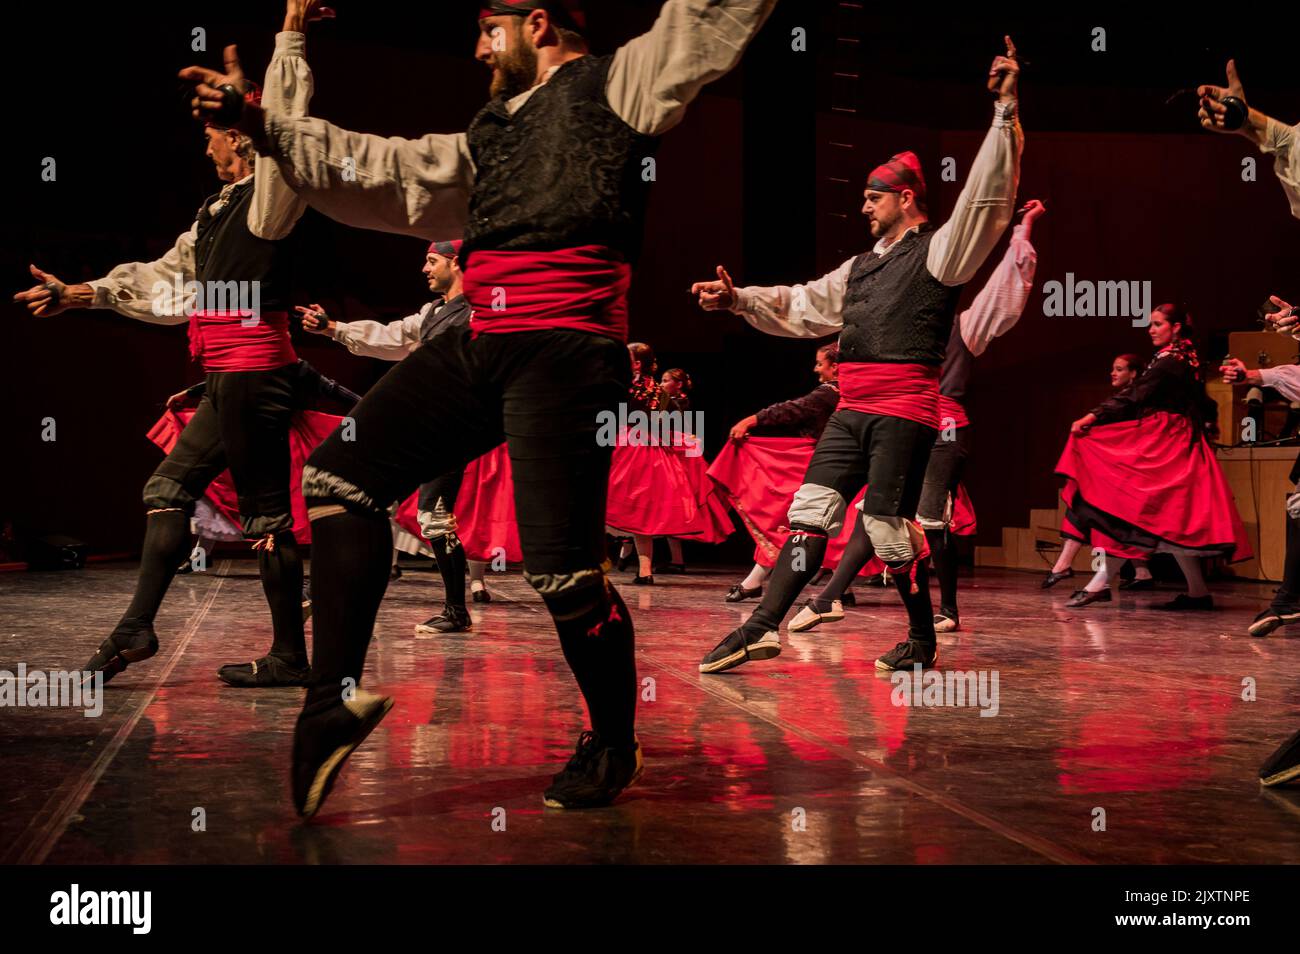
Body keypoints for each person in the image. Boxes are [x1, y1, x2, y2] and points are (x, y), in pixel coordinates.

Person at [180, 0, 777, 815]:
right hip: (481, 336)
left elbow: (708, 15)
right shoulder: (490, 132)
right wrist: (264, 119)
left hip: (566, 344)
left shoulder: (621, 83)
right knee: (336, 479)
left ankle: (612, 738)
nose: (476, 51)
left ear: (538, 25)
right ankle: (332, 701)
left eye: (487, 32)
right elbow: (387, 170)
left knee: (561, 570)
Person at [15, 2, 325, 689]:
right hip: (228, 377)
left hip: (255, 373)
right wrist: (81, 294)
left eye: (215, 135)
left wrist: (292, 35)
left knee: (267, 513)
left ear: (243, 140)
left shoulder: (271, 198)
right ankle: (139, 627)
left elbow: (290, 129)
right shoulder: (213, 213)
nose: (206, 145)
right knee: (167, 487)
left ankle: (288, 656)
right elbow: (167, 281)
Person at [693, 36, 1023, 674]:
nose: (863, 205)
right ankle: (763, 626)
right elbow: (803, 304)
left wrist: (1004, 114)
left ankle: (922, 637)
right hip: (852, 410)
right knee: (808, 515)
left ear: (905, 199)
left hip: (905, 411)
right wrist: (737, 300)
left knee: (889, 530)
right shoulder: (861, 269)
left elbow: (987, 204)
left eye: (874, 197)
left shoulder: (938, 252)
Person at [791, 199, 1045, 635]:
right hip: (903, 421)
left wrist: (1023, 231)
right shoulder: (897, 321)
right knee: (878, 511)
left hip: (942, 427)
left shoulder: (962, 326)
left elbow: (1005, 287)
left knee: (929, 517)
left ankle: (945, 610)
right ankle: (828, 598)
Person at [1057, 305, 1251, 609]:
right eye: (1151, 324)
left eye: (1157, 324)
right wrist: (1209, 421)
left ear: (1175, 328)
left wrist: (1094, 416)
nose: (1151, 329)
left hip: (1168, 442)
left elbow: (1136, 394)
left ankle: (1099, 583)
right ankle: (1198, 593)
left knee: (1133, 509)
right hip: (1176, 439)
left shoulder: (1172, 361)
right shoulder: (1186, 357)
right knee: (1170, 520)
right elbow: (1200, 399)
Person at [724, 343, 840, 602]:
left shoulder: (828, 393)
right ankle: (841, 588)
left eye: (820, 363)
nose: (815, 368)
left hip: (823, 466)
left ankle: (754, 583)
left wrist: (751, 420)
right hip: (839, 466)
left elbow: (792, 409)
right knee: (831, 527)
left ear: (835, 367)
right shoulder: (849, 393)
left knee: (785, 520)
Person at [1040, 352, 1153, 591]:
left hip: (1126, 472)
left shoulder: (1132, 399)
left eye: (1119, 369)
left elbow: (1121, 426)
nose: (1113, 373)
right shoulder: (1129, 398)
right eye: (1113, 368)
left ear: (1133, 373)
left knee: (1091, 509)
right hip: (1122, 471)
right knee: (1105, 517)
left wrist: (1088, 425)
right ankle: (1142, 572)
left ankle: (1066, 568)